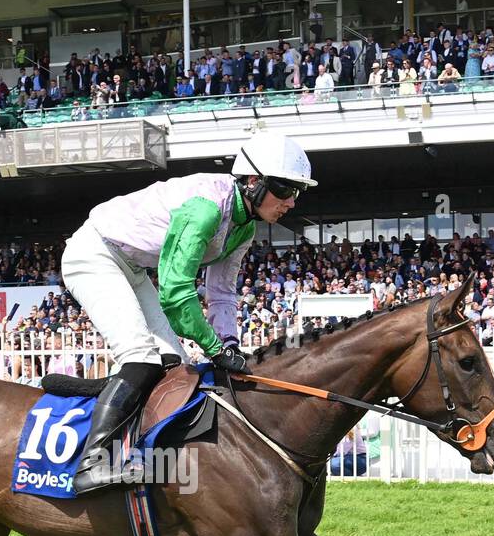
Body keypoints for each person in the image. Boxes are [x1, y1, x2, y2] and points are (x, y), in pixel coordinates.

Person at [60, 132, 315, 493]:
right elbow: (176, 293)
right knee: (140, 358)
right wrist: (214, 348)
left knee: (177, 369)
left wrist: (229, 344)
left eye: (297, 193)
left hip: (130, 267)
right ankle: (92, 463)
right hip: (95, 252)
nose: (291, 202)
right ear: (255, 181)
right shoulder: (206, 208)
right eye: (286, 190)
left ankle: (151, 462)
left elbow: (222, 293)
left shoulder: (243, 227)